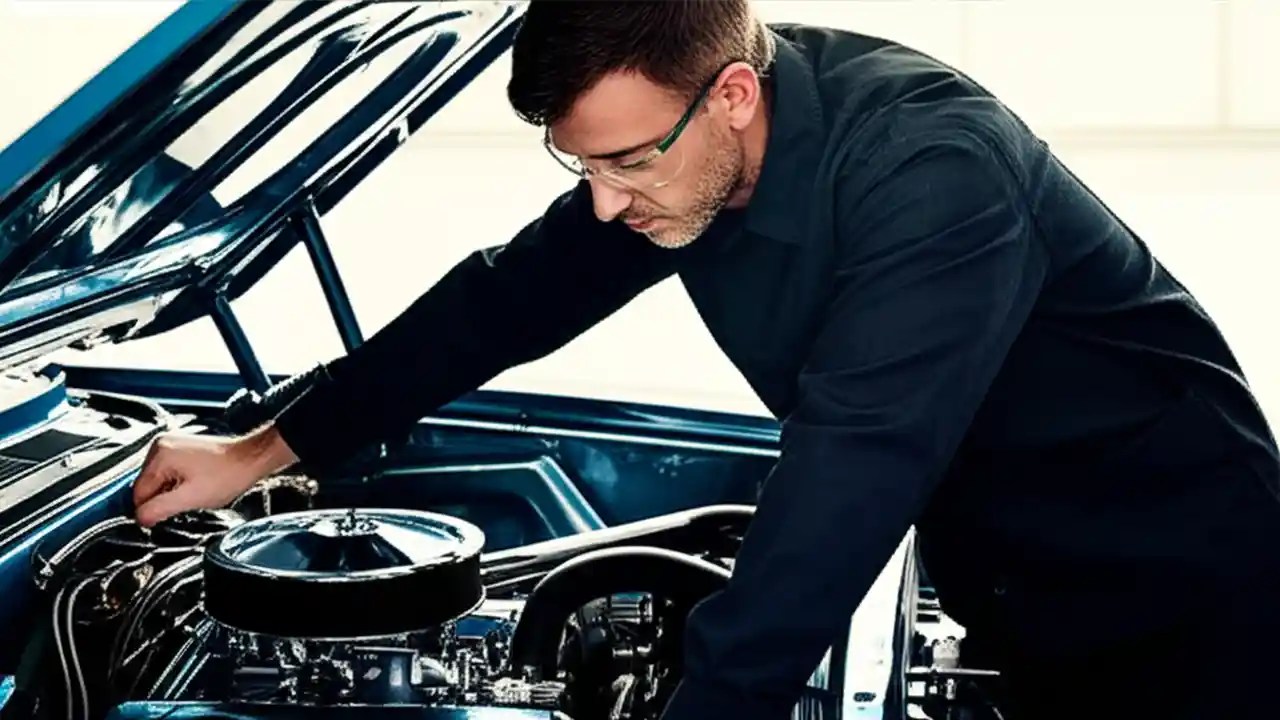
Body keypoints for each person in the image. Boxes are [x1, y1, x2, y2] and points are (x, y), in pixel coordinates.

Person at [131, 2, 1280, 718]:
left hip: (1179, 578)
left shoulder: (931, 169)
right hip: (1007, 568)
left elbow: (852, 467)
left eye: (624, 160)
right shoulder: (682, 163)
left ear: (732, 95)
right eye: (577, 165)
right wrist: (260, 448)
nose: (601, 200)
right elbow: (499, 303)